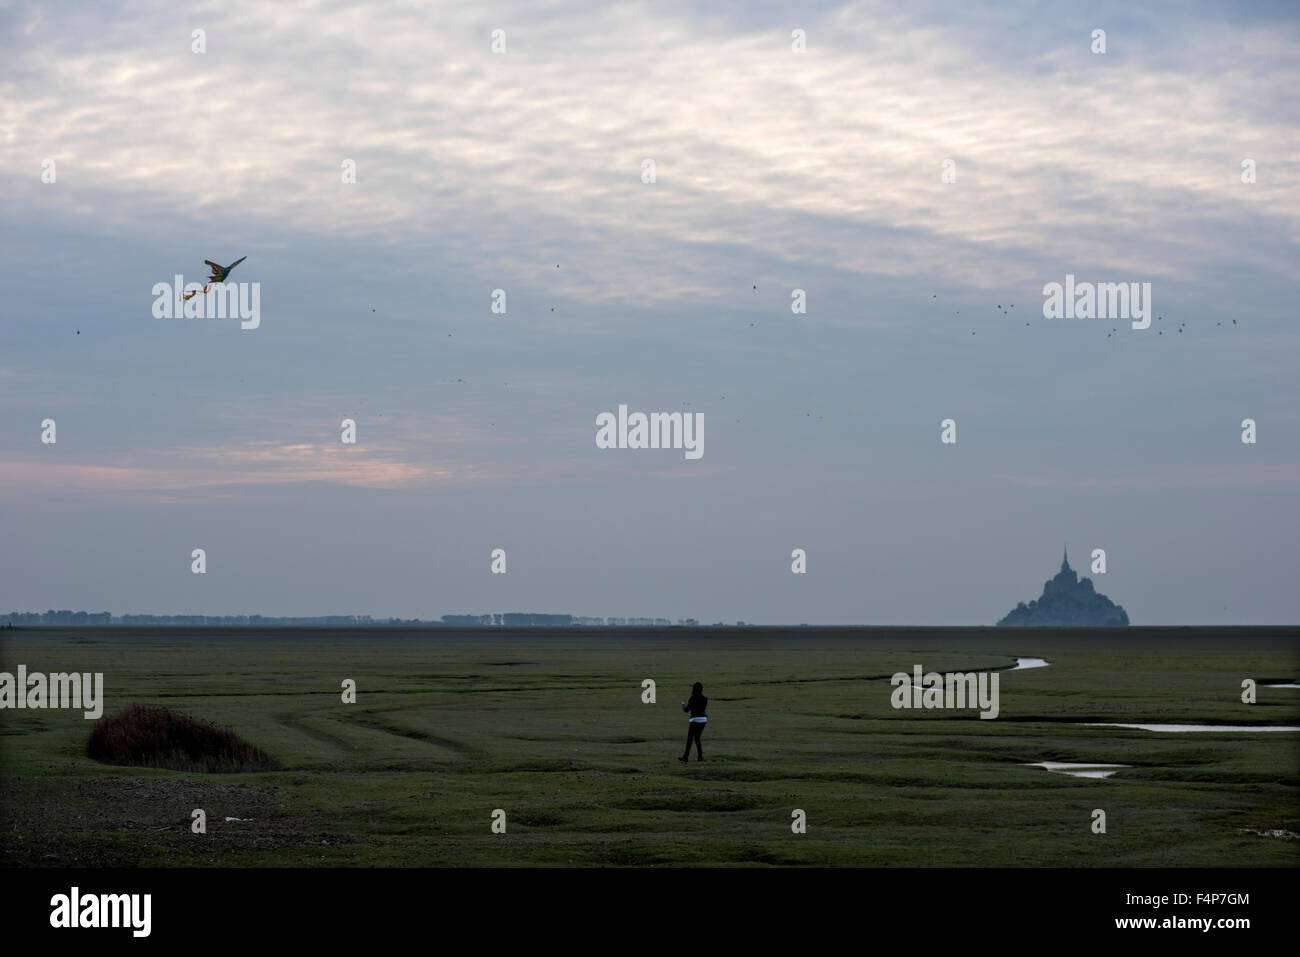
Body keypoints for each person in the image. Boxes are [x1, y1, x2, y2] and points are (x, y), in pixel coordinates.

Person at [678, 682, 707, 762]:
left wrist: (683, 705)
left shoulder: (692, 698)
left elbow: (686, 710)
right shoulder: (705, 698)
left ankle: (685, 757)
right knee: (697, 738)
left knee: (690, 739)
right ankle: (700, 757)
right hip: (703, 719)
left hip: (694, 720)